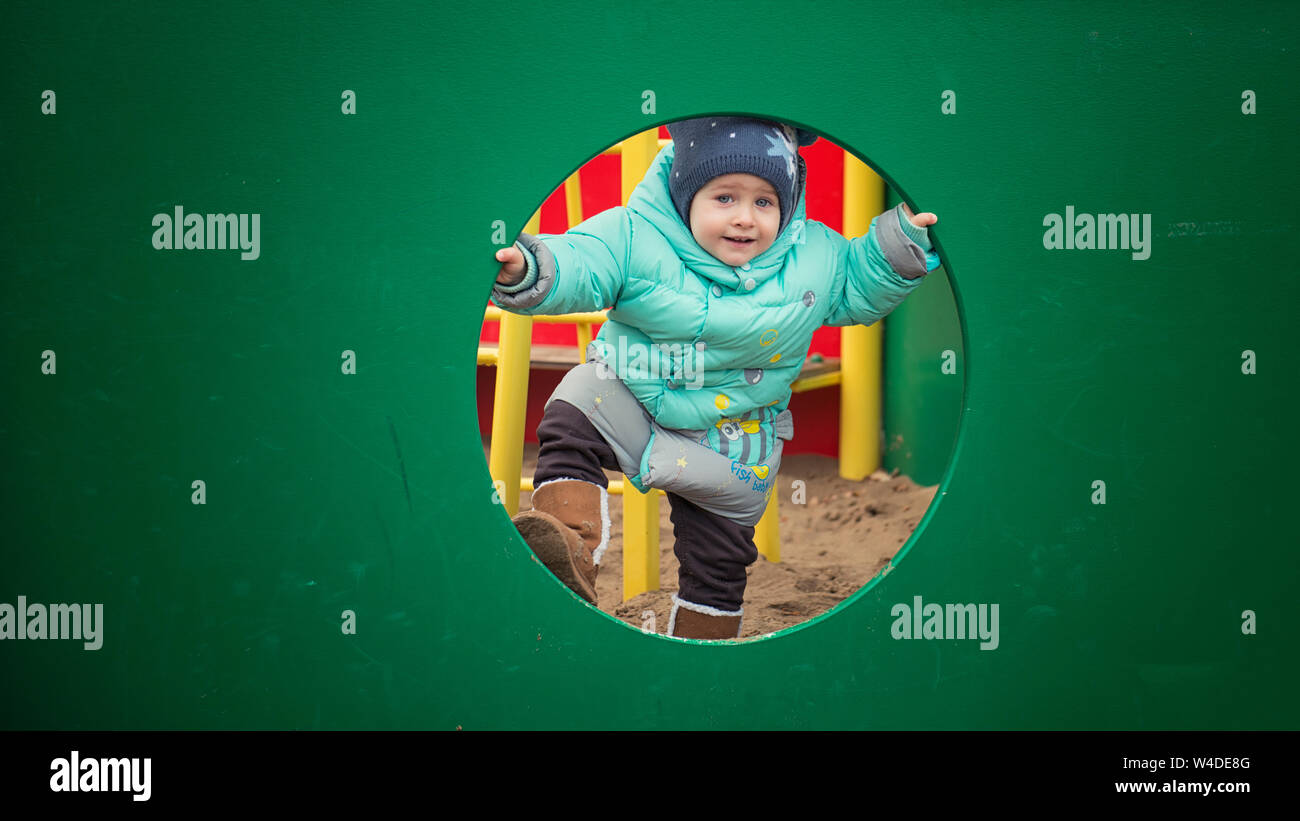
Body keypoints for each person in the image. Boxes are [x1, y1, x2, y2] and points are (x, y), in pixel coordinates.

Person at [490, 116, 939, 639]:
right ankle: (567, 548)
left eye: (765, 201)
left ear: (787, 206)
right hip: (634, 400)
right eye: (724, 198)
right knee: (574, 409)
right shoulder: (636, 236)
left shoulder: (813, 257)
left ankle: (699, 654)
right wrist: (527, 268)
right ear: (685, 196)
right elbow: (582, 261)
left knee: (719, 563)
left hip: (732, 438)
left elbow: (862, 279)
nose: (745, 218)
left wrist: (902, 240)